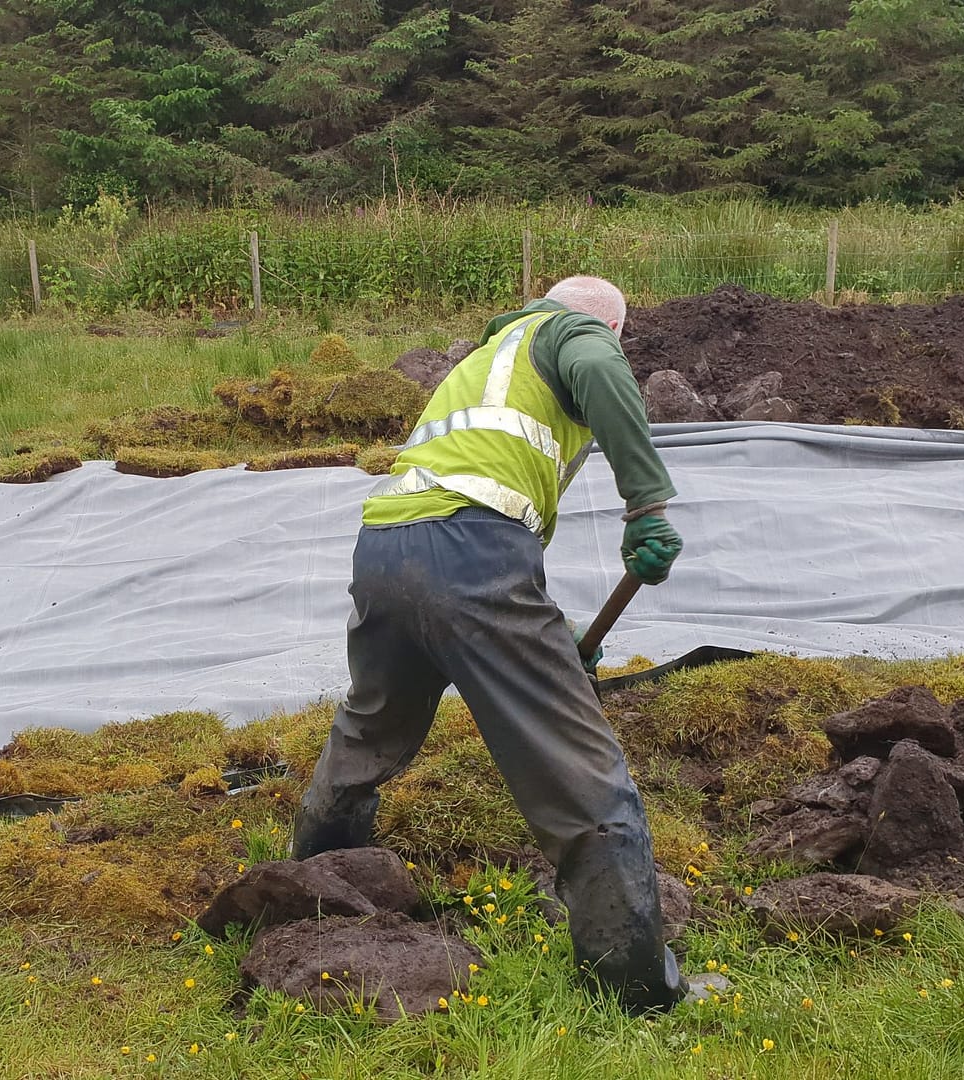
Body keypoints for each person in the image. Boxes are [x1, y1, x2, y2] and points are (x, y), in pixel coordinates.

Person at [291, 275, 691, 1013]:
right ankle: (632, 987)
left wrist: (551, 626)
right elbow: (478, 537)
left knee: (369, 734)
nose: (610, 350)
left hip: (384, 552)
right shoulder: (574, 334)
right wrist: (647, 505)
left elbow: (469, 503)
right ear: (607, 326)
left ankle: (310, 902)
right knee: (582, 773)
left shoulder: (483, 359)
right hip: (469, 556)